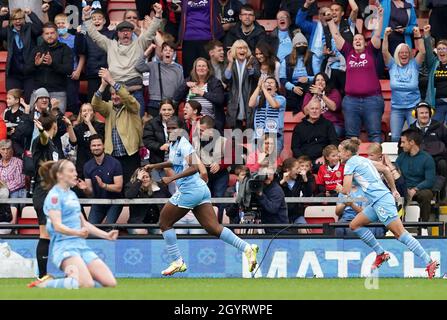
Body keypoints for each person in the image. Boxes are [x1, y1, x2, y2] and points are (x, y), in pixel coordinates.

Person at [143, 117, 259, 276]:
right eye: (168, 128)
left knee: (164, 222)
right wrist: (154, 166)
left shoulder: (183, 144)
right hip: (200, 190)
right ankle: (247, 248)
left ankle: (177, 261)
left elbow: (195, 167)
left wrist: (171, 179)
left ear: (182, 129)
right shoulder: (175, 144)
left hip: (190, 191)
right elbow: (173, 162)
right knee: (213, 228)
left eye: (173, 128)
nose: (170, 131)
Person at [336, 137, 439, 278]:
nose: (338, 155)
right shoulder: (363, 160)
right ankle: (380, 253)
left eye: (340, 152)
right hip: (377, 201)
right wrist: (393, 189)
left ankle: (429, 261)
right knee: (355, 225)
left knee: (400, 234)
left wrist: (339, 188)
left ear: (348, 153)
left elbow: (347, 190)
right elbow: (385, 168)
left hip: (381, 201)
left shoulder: (350, 164)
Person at [28, 160, 118, 289]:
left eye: (75, 170)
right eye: (71, 171)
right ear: (60, 175)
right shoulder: (54, 196)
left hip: (81, 247)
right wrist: (77, 232)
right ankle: (45, 284)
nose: (75, 174)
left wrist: (106, 235)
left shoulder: (72, 195)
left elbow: (84, 223)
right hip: (65, 248)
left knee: (110, 283)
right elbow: (57, 226)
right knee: (86, 284)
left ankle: (75, 280)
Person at [82, 3, 163, 111]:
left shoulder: (140, 43)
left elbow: (151, 31)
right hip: (116, 94)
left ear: (131, 32)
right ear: (118, 33)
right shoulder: (110, 44)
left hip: (135, 93)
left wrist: (157, 15)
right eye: (122, 31)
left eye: (128, 30)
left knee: (137, 126)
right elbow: (94, 34)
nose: (125, 33)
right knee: (117, 127)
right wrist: (87, 17)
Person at [328, 6, 385, 142]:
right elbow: (336, 36)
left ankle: (375, 161)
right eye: (355, 40)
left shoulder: (371, 51)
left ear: (365, 43)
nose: (358, 41)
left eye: (360, 39)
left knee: (375, 134)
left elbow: (377, 35)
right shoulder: (348, 52)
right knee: (351, 137)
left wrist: (381, 17)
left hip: (372, 100)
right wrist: (330, 20)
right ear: (352, 43)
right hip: (351, 101)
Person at [92, 68, 142, 185]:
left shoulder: (132, 106)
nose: (114, 97)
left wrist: (111, 80)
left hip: (130, 154)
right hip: (113, 156)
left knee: (131, 186)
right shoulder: (108, 107)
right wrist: (103, 86)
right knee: (115, 186)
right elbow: (95, 104)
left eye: (117, 94)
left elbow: (129, 99)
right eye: (112, 94)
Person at [31, 111, 61, 284]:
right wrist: (42, 131)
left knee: (53, 233)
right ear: (54, 126)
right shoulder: (41, 141)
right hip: (43, 194)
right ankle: (41, 275)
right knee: (45, 234)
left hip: (52, 194)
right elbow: (42, 139)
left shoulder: (53, 145)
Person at [383, 26, 425, 142]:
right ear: (397, 54)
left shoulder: (414, 64)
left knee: (415, 137)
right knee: (395, 137)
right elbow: (384, 51)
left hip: (413, 108)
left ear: (410, 54)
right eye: (401, 52)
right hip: (397, 108)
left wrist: (418, 35)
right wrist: (386, 36)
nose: (404, 54)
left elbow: (422, 51)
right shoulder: (392, 65)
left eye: (406, 52)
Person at [0, 5, 47, 103]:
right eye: (15, 19)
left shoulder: (29, 28)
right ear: (11, 20)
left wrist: (31, 14)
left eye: (20, 18)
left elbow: (40, 29)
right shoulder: (8, 30)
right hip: (13, 74)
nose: (17, 21)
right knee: (13, 101)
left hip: (29, 74)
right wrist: (1, 16)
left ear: (24, 19)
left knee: (30, 101)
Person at [25, 22, 73, 114]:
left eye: (52, 33)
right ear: (42, 35)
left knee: (57, 122)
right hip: (38, 92)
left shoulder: (65, 49)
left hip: (58, 92)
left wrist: (52, 64)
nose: (49, 36)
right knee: (33, 121)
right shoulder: (36, 50)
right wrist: (36, 65)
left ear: (57, 34)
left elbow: (69, 70)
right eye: (47, 33)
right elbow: (26, 70)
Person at [79, 134, 124, 225]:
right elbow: (90, 192)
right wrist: (85, 188)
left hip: (115, 202)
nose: (96, 147)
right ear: (90, 148)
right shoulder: (87, 166)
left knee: (108, 227)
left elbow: (119, 187)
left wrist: (104, 185)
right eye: (93, 145)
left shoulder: (115, 163)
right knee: (91, 230)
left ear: (103, 146)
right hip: (98, 202)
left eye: (99, 145)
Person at [196, 116, 232, 223]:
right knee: (204, 199)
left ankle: (218, 223)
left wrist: (220, 164)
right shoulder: (195, 140)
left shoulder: (224, 140)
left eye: (202, 130)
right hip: (203, 172)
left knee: (219, 198)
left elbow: (231, 158)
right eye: (199, 130)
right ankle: (205, 223)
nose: (200, 133)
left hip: (220, 174)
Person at [174, 58, 226, 133]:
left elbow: (220, 99)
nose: (201, 68)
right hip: (191, 123)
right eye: (199, 66)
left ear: (208, 69)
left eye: (204, 66)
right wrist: (185, 85)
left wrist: (202, 93)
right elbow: (176, 97)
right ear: (195, 69)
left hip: (210, 123)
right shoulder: (189, 80)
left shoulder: (215, 82)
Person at [396, 129, 436, 222]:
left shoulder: (427, 158)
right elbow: (396, 175)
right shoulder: (401, 157)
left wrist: (415, 189)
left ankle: (424, 225)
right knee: (394, 193)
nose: (401, 145)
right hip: (404, 188)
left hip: (420, 190)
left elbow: (430, 181)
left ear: (412, 142)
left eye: (403, 142)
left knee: (426, 195)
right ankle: (396, 224)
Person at [135, 41, 184, 118]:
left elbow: (180, 88)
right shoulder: (153, 65)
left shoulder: (178, 69)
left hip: (170, 104)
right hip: (155, 103)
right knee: (154, 127)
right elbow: (138, 66)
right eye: (165, 50)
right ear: (161, 53)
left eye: (171, 51)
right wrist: (148, 51)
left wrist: (175, 101)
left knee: (169, 128)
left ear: (174, 54)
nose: (168, 52)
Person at [76, 9, 115, 102]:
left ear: (104, 21)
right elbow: (80, 50)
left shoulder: (112, 34)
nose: (97, 21)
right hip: (92, 73)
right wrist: (79, 35)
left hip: (108, 73)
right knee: (93, 102)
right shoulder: (86, 35)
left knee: (107, 102)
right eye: (93, 19)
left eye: (99, 18)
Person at [178, 0, 223, 77]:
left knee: (207, 71)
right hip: (188, 38)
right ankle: (191, 89)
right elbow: (178, 8)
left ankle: (207, 89)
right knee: (189, 71)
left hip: (207, 39)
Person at [291, 99, 338, 172]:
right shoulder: (299, 127)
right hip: (304, 160)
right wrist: (304, 161)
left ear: (321, 110)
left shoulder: (328, 124)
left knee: (323, 166)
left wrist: (325, 157)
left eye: (317, 108)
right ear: (308, 110)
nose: (314, 111)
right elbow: (295, 147)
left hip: (322, 159)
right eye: (312, 108)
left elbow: (334, 142)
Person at [54, 13, 86, 115]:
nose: (60, 25)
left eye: (63, 23)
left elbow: (82, 56)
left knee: (73, 103)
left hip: (72, 75)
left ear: (68, 25)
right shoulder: (54, 39)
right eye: (58, 23)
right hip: (58, 76)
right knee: (59, 104)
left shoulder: (74, 38)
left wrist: (78, 71)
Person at [124, 167, 170, 235]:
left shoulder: (158, 186)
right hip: (137, 223)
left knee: (163, 232)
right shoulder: (131, 186)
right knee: (141, 232)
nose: (145, 179)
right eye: (142, 177)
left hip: (155, 223)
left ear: (150, 178)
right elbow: (129, 195)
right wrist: (138, 181)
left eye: (147, 177)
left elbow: (170, 199)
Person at [224, 39, 257, 129]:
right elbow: (226, 79)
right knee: (235, 134)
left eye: (245, 48)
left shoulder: (252, 61)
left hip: (249, 98)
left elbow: (257, 78)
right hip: (234, 99)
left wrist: (250, 68)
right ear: (235, 50)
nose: (242, 50)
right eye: (239, 48)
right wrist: (230, 63)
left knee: (250, 131)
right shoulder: (230, 62)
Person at [409, 101, 447, 179]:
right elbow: (403, 148)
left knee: (443, 164)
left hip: (437, 160)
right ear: (416, 115)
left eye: (426, 113)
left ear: (430, 114)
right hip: (418, 161)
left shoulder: (440, 127)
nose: (424, 115)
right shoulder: (411, 130)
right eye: (421, 113)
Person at [248, 76, 286, 153]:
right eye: (267, 82)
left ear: (276, 88)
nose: (269, 84)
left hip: (274, 135)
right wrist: (259, 87)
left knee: (272, 162)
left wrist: (264, 89)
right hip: (259, 134)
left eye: (271, 83)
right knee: (257, 161)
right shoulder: (259, 99)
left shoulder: (281, 98)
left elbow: (274, 105)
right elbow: (251, 104)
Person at [67, 103, 105, 178]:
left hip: (97, 161)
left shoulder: (100, 125)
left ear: (94, 113)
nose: (87, 112)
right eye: (84, 111)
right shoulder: (77, 127)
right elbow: (73, 142)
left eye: (90, 110)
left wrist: (89, 123)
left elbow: (97, 139)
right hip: (82, 162)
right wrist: (69, 126)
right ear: (81, 114)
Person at [279, 30, 314, 114]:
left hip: (308, 87)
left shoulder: (312, 57)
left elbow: (319, 76)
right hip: (293, 89)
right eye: (298, 44)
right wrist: (293, 87)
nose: (301, 46)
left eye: (304, 44)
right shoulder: (287, 59)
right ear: (294, 46)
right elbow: (282, 78)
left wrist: (308, 79)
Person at [302, 72, 344, 137]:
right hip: (315, 124)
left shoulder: (333, 92)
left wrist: (321, 94)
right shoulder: (309, 95)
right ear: (314, 83)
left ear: (326, 82)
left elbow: (333, 107)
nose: (320, 82)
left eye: (323, 80)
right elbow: (306, 112)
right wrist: (315, 95)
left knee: (330, 133)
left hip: (333, 124)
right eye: (317, 80)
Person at [252, 165, 289, 234]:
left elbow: (272, 209)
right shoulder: (259, 187)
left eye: (270, 173)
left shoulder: (276, 190)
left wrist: (260, 195)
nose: (267, 176)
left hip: (278, 230)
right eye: (265, 173)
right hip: (267, 228)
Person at [279, 157, 315, 225]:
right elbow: (273, 192)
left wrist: (305, 181)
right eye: (297, 168)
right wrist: (283, 181)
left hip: (296, 215)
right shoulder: (278, 178)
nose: (299, 171)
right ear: (288, 170)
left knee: (305, 230)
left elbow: (308, 194)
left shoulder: (300, 179)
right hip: (281, 216)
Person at [423, 25, 447, 124]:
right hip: (438, 103)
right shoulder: (434, 63)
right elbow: (428, 50)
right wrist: (426, 34)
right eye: (439, 49)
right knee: (435, 128)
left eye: (444, 49)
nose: (441, 51)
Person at [0, 139, 26, 205]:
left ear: (12, 150)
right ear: (0, 151)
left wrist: (6, 187)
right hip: (2, 190)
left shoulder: (18, 162)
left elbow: (20, 181)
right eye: (3, 149)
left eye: (8, 149)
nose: (6, 152)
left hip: (16, 190)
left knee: (14, 196)